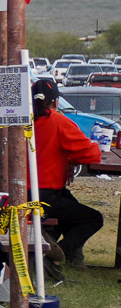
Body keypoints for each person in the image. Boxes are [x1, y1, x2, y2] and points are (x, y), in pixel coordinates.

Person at [32, 79, 106, 268]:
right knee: (93, 218)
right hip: (45, 194)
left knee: (72, 206)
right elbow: (91, 154)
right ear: (55, 101)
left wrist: (66, 161)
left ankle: (73, 256)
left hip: (21, 192)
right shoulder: (58, 121)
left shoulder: (23, 121)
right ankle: (58, 253)